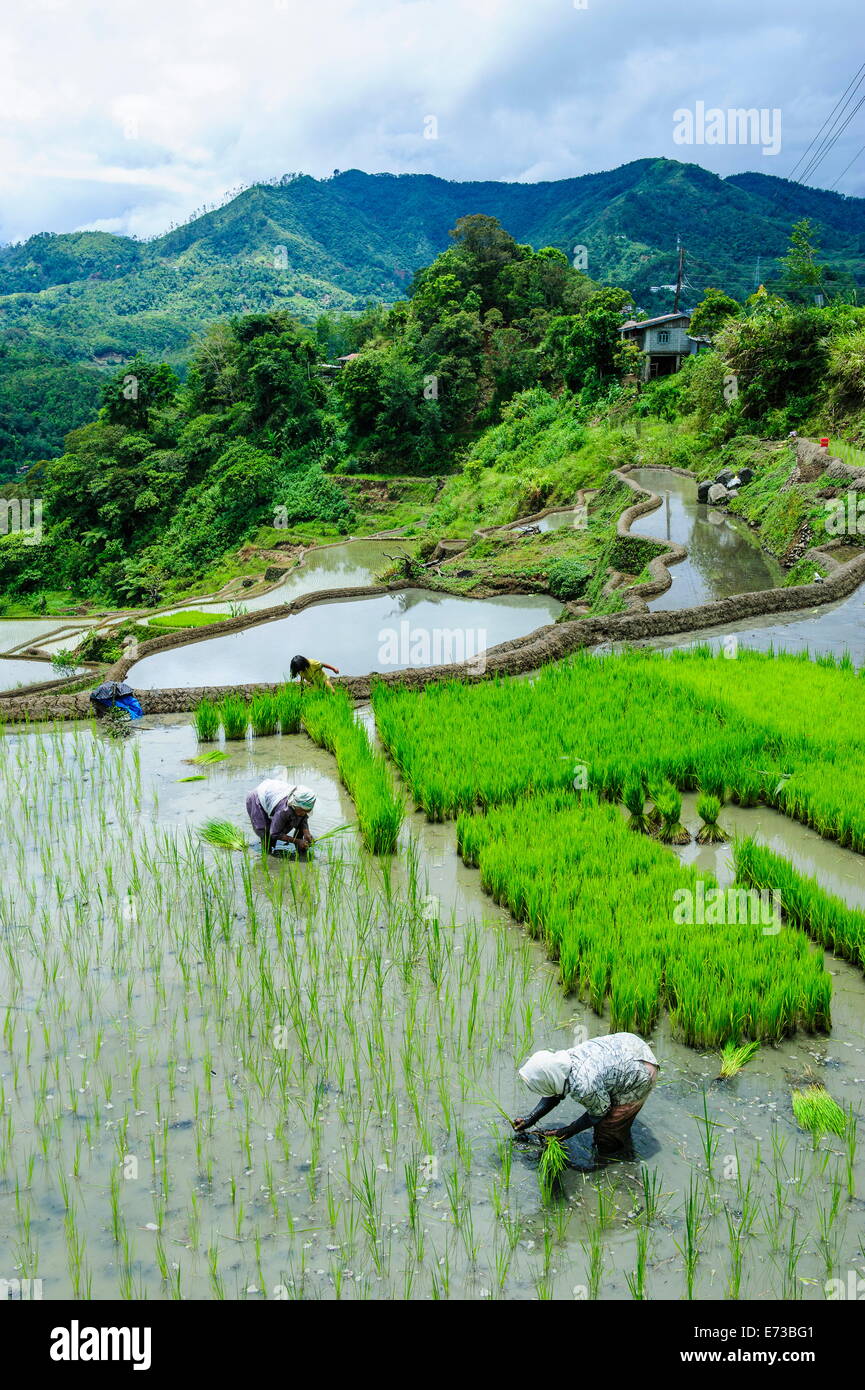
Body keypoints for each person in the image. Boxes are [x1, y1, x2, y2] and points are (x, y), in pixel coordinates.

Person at [513, 1032, 659, 1157]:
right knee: (603, 1110)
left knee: (607, 1130)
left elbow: (598, 1113)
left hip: (641, 1072)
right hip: (629, 1045)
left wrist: (564, 1132)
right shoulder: (562, 1062)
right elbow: (555, 1093)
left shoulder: (583, 1086)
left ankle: (619, 1161)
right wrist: (530, 1119)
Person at [246, 778, 316, 854]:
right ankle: (267, 855)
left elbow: (303, 819)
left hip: (274, 792)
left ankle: (300, 852)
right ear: (295, 805)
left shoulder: (304, 803)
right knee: (265, 832)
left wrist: (306, 833)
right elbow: (274, 833)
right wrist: (297, 841)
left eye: (306, 811)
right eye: (301, 810)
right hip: (257, 798)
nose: (303, 814)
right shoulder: (284, 809)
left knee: (298, 819)